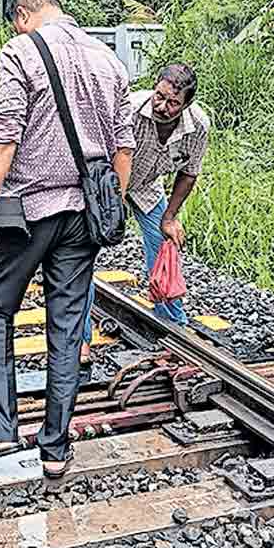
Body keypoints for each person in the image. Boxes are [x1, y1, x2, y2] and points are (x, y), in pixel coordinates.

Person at [0, 0, 134, 479]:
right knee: (65, 328)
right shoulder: (109, 60)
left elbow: (4, 136)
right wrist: (110, 204)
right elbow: (123, 148)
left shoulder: (21, 49)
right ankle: (55, 449)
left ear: (21, 15)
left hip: (27, 215)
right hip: (84, 215)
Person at [81, 64, 209, 362]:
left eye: (173, 102)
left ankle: (172, 323)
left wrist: (170, 217)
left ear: (186, 104)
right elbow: (105, 153)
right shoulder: (131, 109)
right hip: (109, 183)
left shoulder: (198, 126)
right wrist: (112, 204)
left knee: (165, 245)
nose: (163, 106)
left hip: (147, 186)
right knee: (83, 255)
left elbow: (189, 173)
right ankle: (79, 337)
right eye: (160, 97)